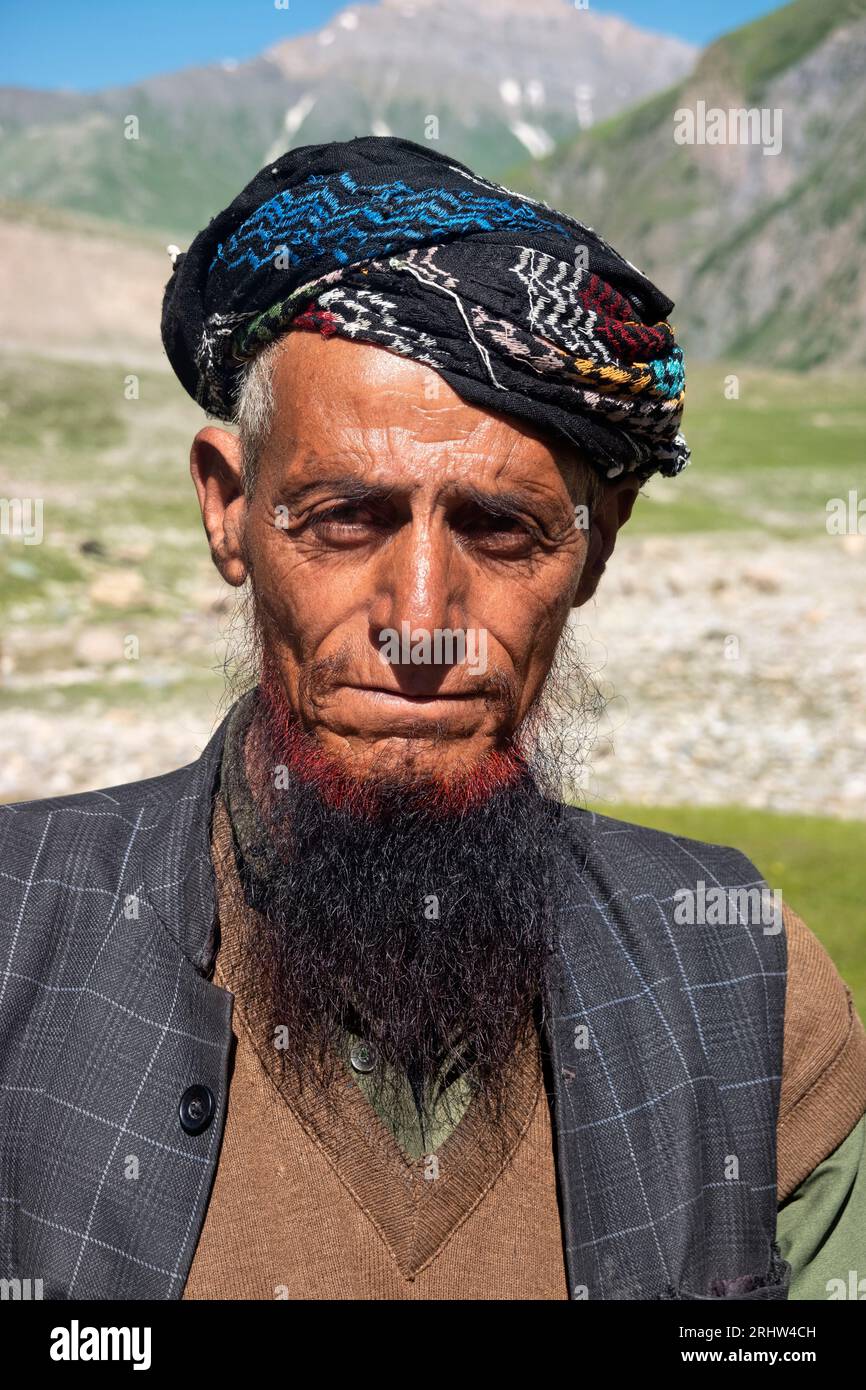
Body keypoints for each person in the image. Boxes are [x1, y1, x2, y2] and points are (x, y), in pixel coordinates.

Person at [1, 137, 863, 1301]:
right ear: (229, 511)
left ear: (591, 551)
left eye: (500, 528)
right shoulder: (18, 939)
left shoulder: (747, 986)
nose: (420, 621)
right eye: (346, 516)